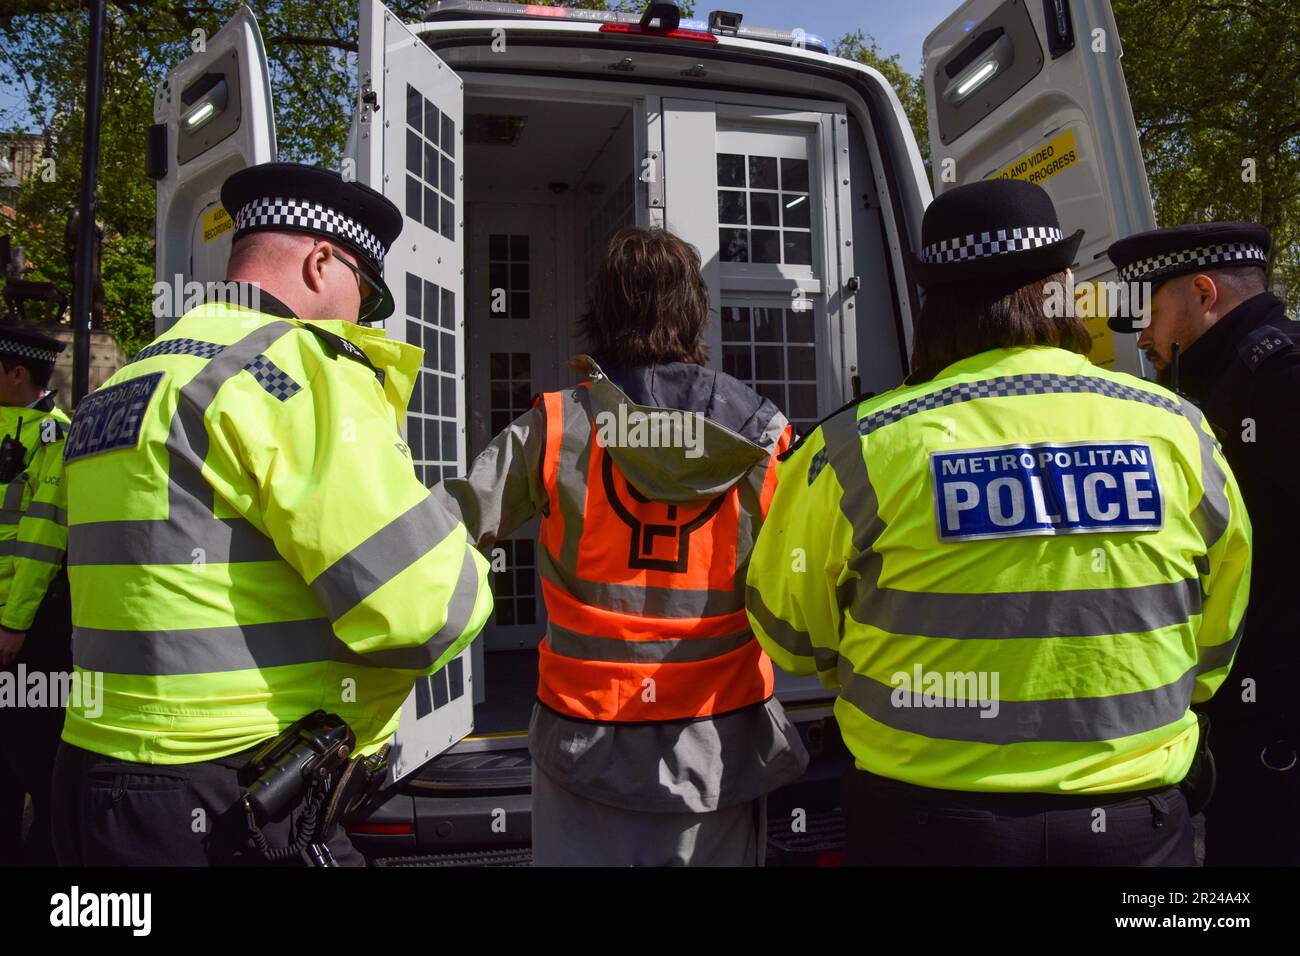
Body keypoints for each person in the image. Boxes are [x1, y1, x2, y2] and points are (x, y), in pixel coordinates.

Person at [746, 179, 1252, 866]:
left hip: (926, 825)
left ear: (934, 301)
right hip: (1137, 823)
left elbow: (791, 634)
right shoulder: (1178, 429)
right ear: (1066, 286)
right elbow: (1216, 628)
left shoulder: (854, 449)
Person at [51, 163, 493, 866]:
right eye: (364, 293)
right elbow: (426, 608)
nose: (362, 318)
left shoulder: (134, 378)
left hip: (96, 778)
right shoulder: (294, 369)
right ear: (322, 263)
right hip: (234, 798)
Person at [434, 226, 808, 866]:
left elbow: (446, 530)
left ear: (601, 312)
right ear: (695, 312)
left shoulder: (555, 426)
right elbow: (806, 588)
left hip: (583, 745)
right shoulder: (764, 436)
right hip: (719, 749)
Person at [1107, 222, 1299, 866]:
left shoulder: (1280, 381)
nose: (1144, 338)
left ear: (1203, 292)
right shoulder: (1220, 387)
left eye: (1154, 313)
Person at [0, 325, 71, 865]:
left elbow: (42, 539)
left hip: (27, 629)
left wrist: (14, 625)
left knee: (31, 753)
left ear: (18, 373)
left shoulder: (54, 436)